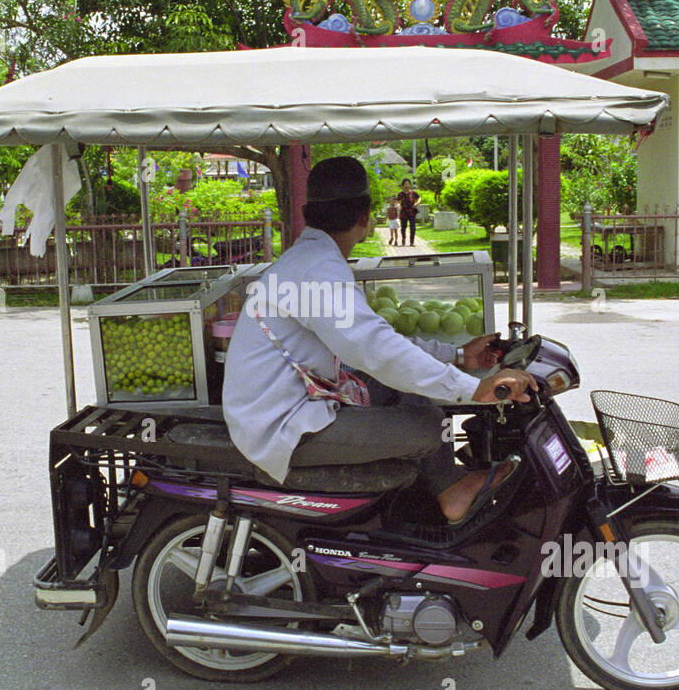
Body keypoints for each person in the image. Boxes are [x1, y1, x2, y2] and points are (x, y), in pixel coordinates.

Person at [223, 156, 536, 524]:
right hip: (284, 428)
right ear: (366, 217)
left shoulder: (311, 259)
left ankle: (445, 488)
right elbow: (373, 348)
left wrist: (455, 355)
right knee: (430, 426)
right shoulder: (317, 270)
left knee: (411, 395)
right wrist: (472, 388)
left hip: (294, 404)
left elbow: (375, 342)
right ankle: (451, 493)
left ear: (309, 213)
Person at [397, 179, 420, 246]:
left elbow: (419, 198)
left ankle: (411, 242)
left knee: (413, 227)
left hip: (411, 211)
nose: (406, 185)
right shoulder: (400, 194)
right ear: (403, 185)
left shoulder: (413, 193)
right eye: (405, 184)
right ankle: (403, 239)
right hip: (403, 212)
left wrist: (417, 203)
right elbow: (397, 201)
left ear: (410, 185)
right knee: (403, 227)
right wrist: (398, 205)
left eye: (408, 184)